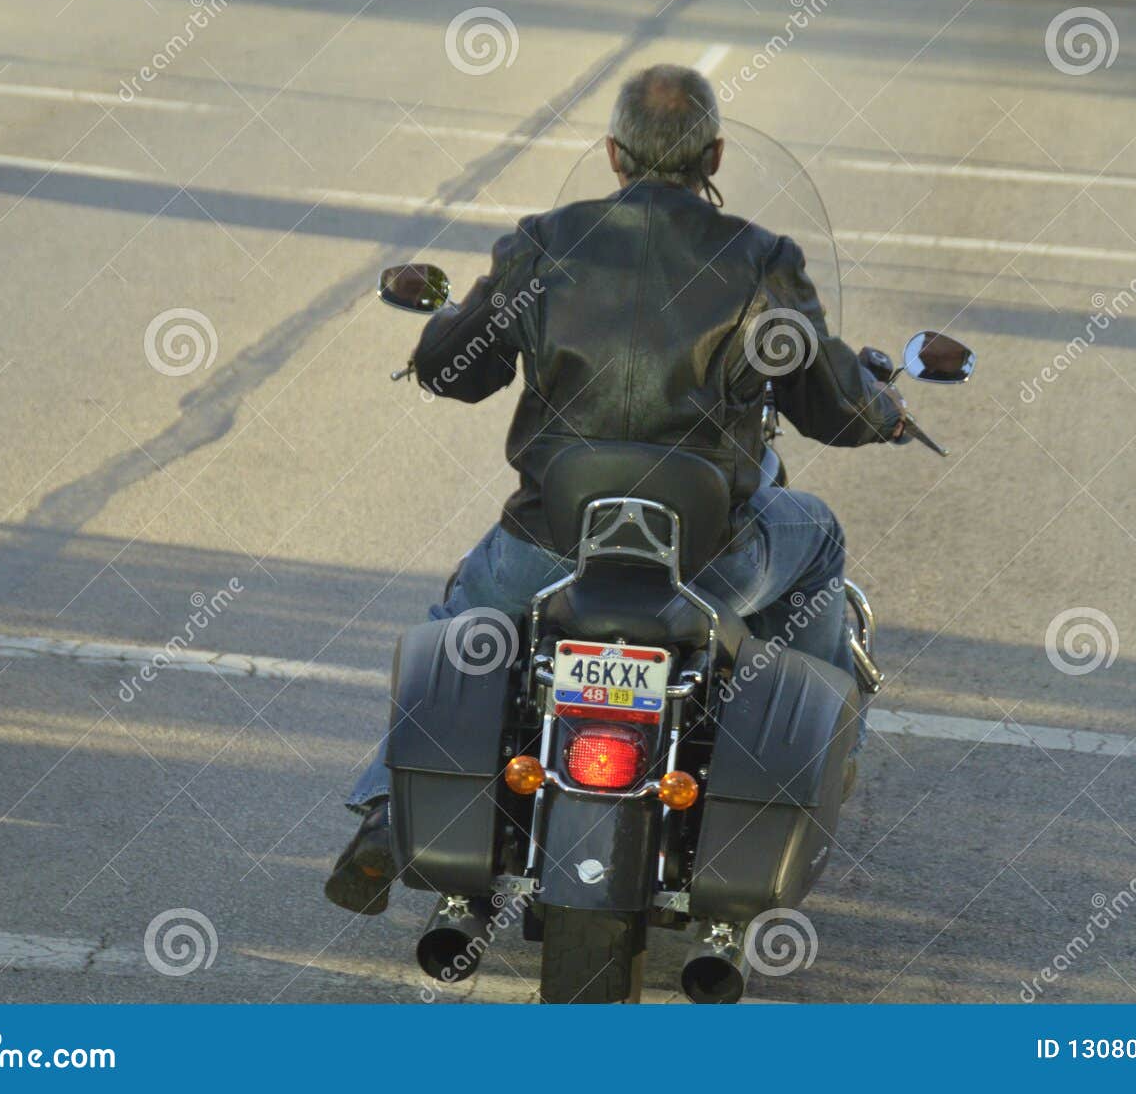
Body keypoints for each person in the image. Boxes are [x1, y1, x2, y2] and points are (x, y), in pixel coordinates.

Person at [325, 64, 908, 916]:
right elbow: (828, 397)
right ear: (713, 153)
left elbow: (462, 368)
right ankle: (790, 775)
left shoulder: (543, 242)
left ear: (612, 155)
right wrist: (883, 411)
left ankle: (387, 811)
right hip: (708, 558)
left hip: (550, 545)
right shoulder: (760, 259)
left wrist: (432, 343)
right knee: (816, 537)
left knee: (467, 624)